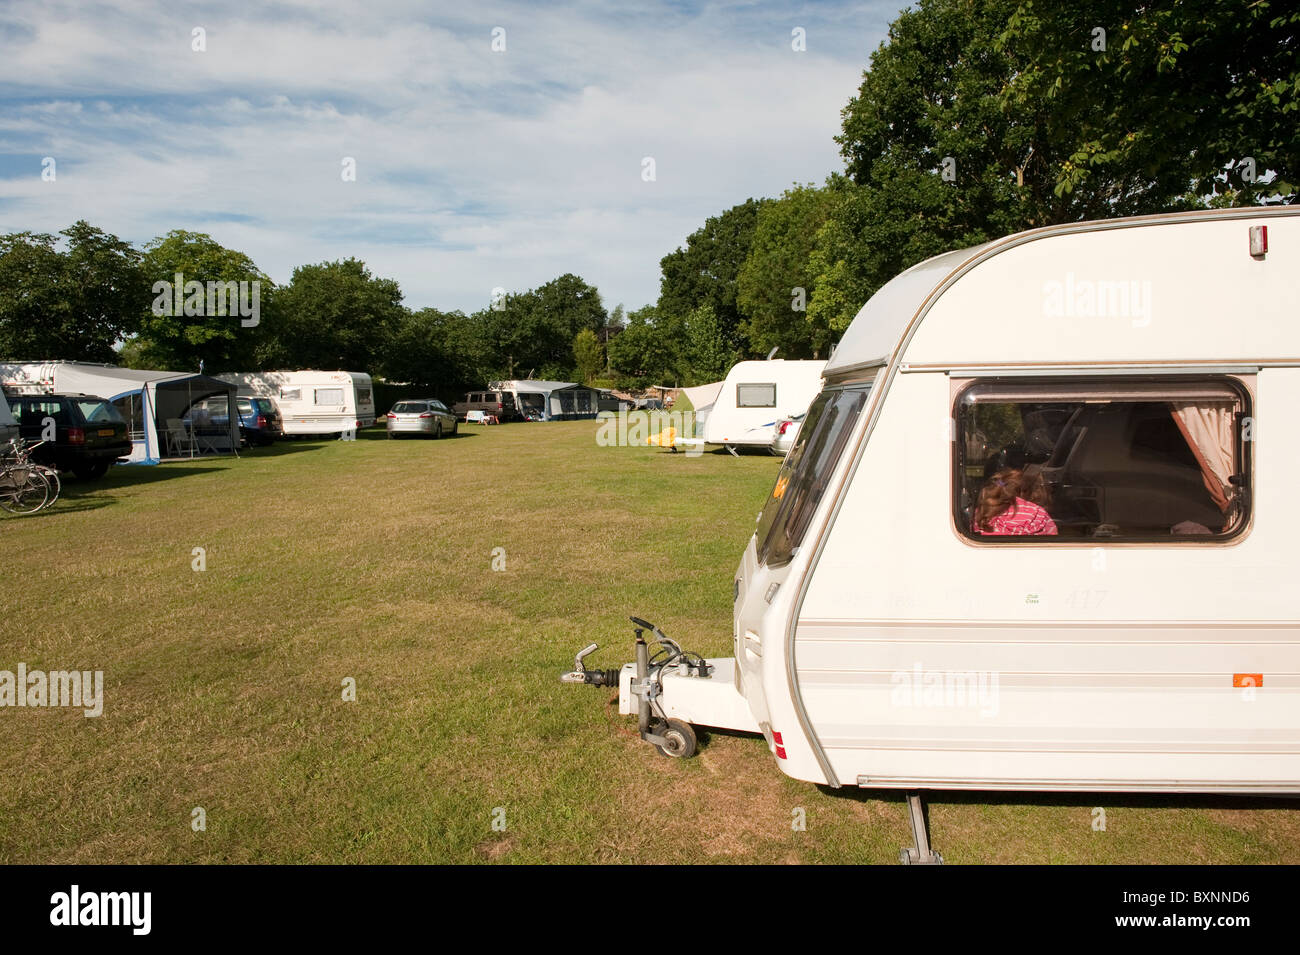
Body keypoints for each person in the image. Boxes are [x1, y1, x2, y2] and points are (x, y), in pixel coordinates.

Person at [973, 468, 1058, 536]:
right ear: (1025, 491)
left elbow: (976, 531)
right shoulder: (1039, 513)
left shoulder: (986, 511)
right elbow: (1053, 538)